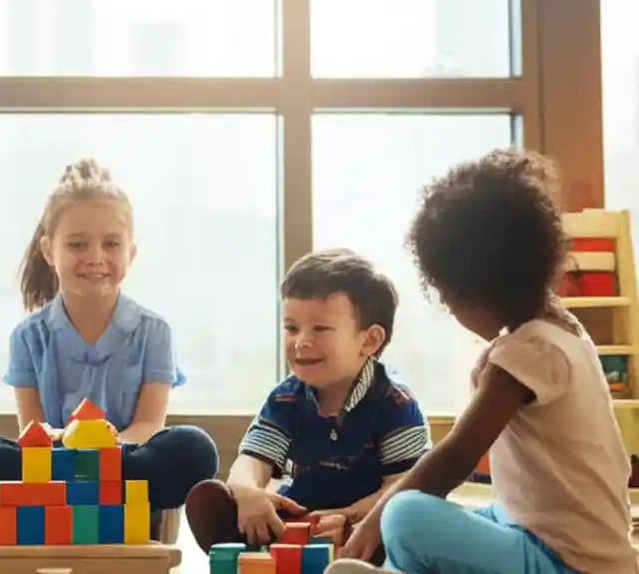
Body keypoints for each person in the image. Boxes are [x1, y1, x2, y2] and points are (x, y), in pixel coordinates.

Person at [329, 150, 639, 574]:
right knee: (470, 515)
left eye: (448, 298)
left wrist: (376, 518)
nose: (452, 311)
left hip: (568, 563)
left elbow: (456, 455)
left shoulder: (529, 351)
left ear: (476, 291)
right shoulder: (561, 327)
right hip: (542, 531)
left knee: (406, 515)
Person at [0, 159, 219, 523]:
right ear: (48, 250)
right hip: (52, 466)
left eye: (111, 244)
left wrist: (101, 451)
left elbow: (149, 426)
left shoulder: (154, 332)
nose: (95, 258)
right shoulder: (28, 337)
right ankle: (68, 492)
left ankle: (79, 490)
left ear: (131, 252)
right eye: (77, 245)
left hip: (124, 468)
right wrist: (67, 449)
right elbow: (32, 431)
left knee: (196, 450)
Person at [184, 248, 430, 553]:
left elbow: (403, 483)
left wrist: (350, 516)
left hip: (361, 523)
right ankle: (251, 550)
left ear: (370, 340)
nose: (301, 341)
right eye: (291, 328)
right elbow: (252, 461)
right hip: (297, 520)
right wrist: (248, 492)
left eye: (320, 329)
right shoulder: (285, 398)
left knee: (405, 516)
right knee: (216, 498)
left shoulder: (396, 404)